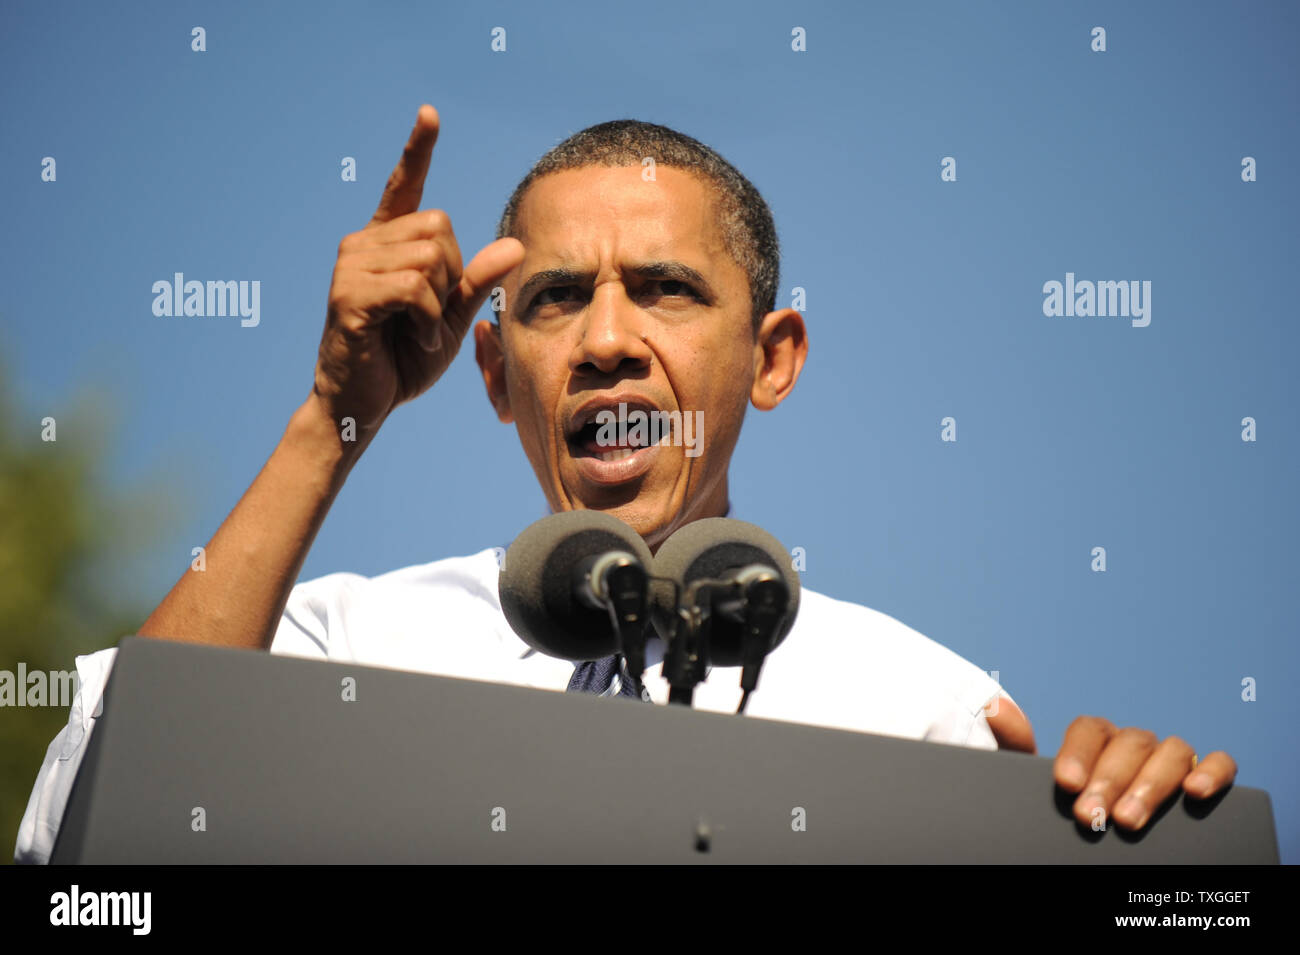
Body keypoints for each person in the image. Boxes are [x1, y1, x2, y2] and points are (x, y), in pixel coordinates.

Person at [14, 105, 1236, 864]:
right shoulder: (348, 640)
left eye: (664, 287)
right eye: (551, 299)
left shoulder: (923, 703)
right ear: (494, 373)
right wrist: (336, 418)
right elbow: (84, 846)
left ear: (772, 360)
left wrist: (1138, 844)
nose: (603, 338)